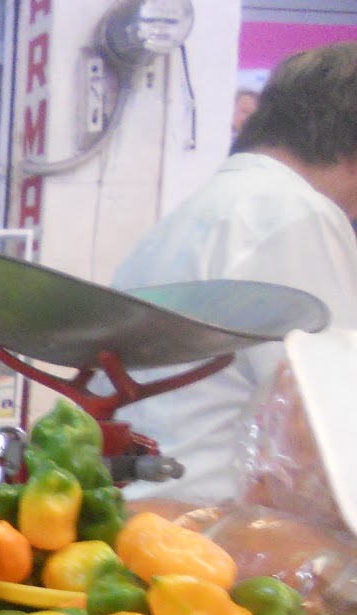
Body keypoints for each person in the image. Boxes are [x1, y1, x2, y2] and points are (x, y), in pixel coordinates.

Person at [110, 43, 357, 506]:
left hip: (144, 513)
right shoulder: (297, 215)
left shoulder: (207, 210)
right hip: (209, 526)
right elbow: (327, 423)